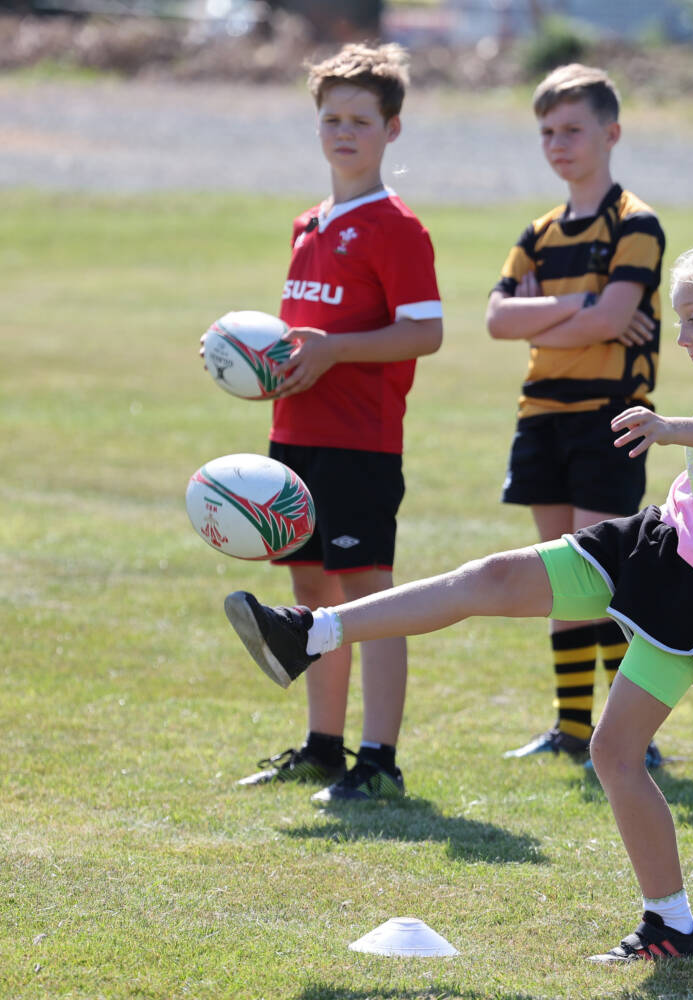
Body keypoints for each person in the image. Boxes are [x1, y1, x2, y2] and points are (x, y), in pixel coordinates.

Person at [223, 240, 693, 961]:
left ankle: (672, 922)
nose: (683, 336)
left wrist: (672, 428)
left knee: (613, 753)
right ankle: (310, 631)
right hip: (655, 540)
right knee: (490, 577)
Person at [227, 43, 443, 804]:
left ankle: (378, 760)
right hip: (294, 434)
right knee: (311, 588)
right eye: (331, 118)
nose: (343, 132)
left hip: (361, 440)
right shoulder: (307, 223)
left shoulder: (396, 227)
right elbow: (302, 343)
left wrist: (335, 351)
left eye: (360, 119)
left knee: (368, 594)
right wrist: (254, 367)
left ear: (392, 129)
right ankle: (324, 748)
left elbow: (425, 332)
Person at [483, 64, 666, 765]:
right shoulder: (537, 232)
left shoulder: (636, 223)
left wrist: (552, 317)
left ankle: (628, 740)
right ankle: (569, 729)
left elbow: (619, 315)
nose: (558, 144)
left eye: (573, 130)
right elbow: (498, 321)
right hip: (542, 417)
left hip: (612, 417)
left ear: (610, 133)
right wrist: (580, 311)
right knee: (564, 577)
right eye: (547, 133)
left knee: (600, 576)